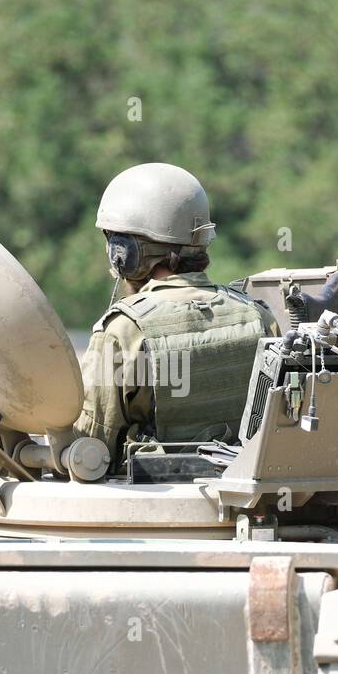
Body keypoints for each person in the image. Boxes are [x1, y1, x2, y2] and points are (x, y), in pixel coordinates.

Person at [75, 163, 279, 465]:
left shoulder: (123, 331)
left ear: (126, 252)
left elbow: (91, 447)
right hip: (240, 498)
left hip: (152, 501)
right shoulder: (257, 317)